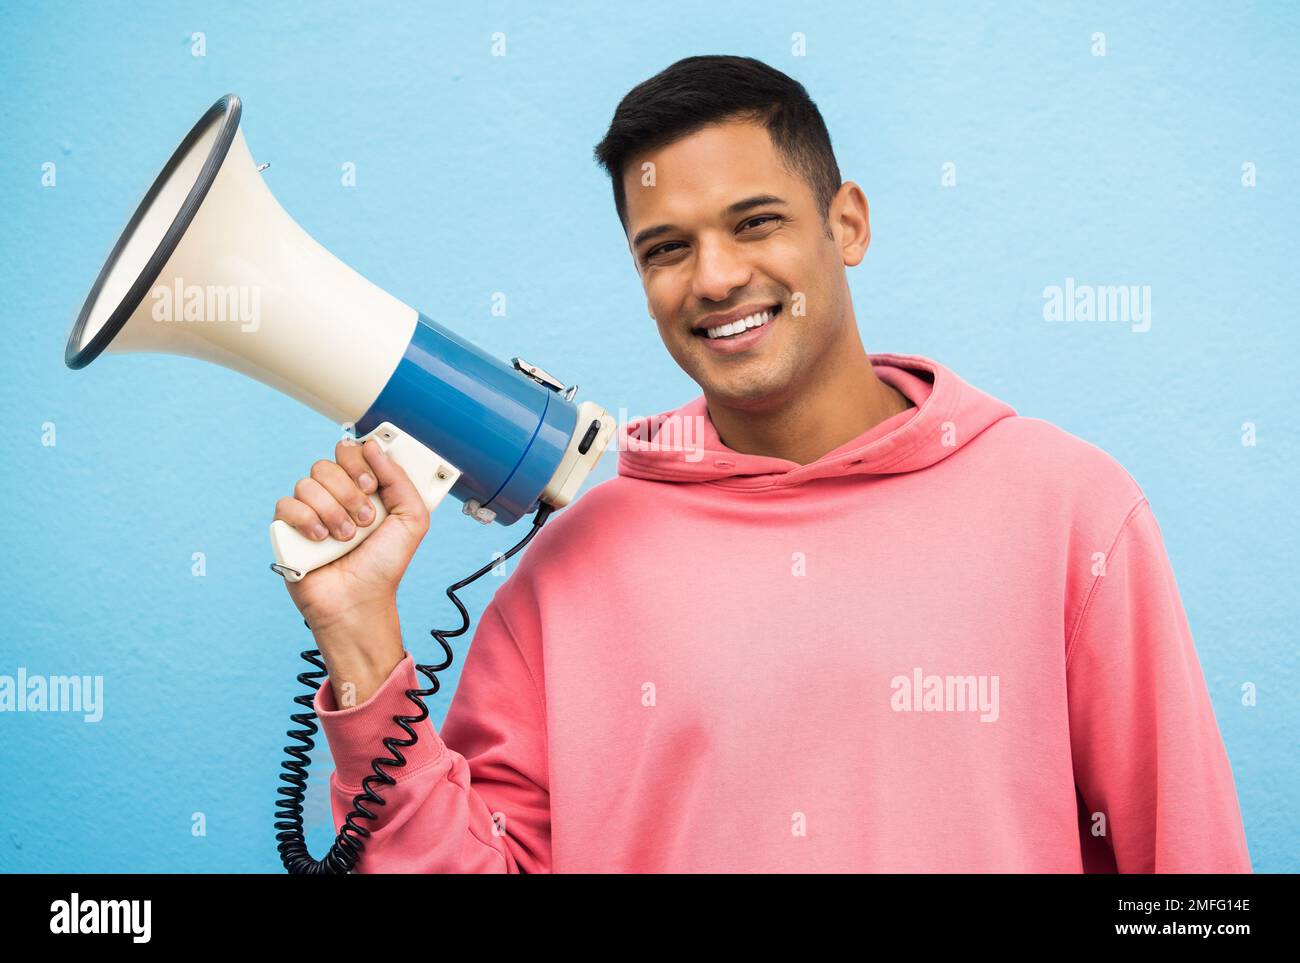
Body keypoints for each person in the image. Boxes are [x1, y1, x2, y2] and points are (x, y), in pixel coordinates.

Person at [273, 55, 1252, 873]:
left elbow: (1184, 868)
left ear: (847, 223)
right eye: (665, 248)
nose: (714, 278)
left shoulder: (1067, 509)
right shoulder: (568, 571)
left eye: (754, 222)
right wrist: (362, 645)